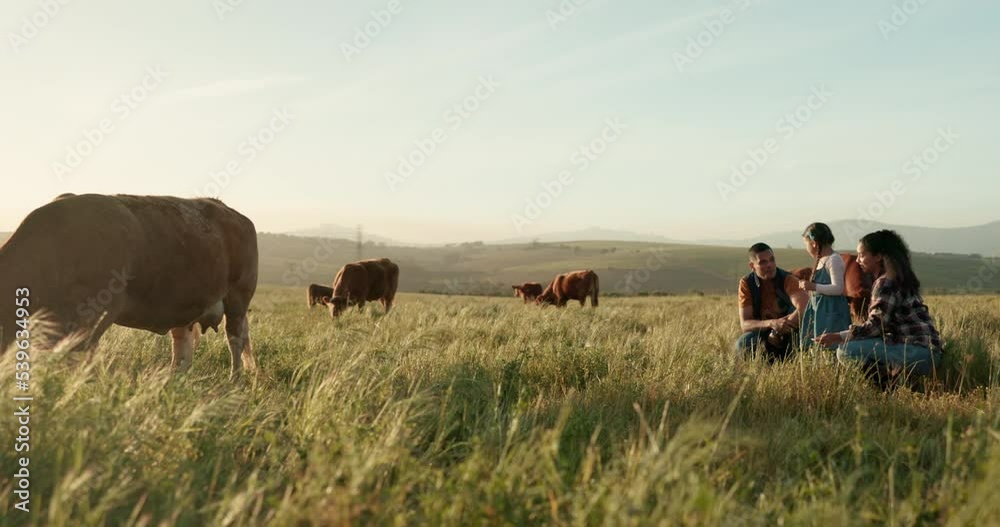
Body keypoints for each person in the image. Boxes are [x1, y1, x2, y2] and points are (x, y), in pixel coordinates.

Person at [814, 230, 944, 381]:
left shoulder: (885, 283)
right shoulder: (899, 277)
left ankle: (889, 386)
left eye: (862, 255)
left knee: (846, 351)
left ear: (878, 256)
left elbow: (875, 328)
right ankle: (898, 380)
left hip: (917, 353)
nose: (857, 261)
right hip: (928, 352)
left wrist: (837, 337)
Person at [735, 243, 808, 361]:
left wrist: (776, 332)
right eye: (763, 262)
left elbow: (804, 306)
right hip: (763, 332)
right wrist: (772, 323)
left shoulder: (788, 279)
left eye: (772, 260)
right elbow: (745, 324)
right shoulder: (747, 283)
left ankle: (792, 359)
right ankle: (764, 366)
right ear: (752, 266)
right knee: (744, 343)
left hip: (790, 331)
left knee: (801, 325)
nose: (769, 265)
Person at [798, 222, 852, 350]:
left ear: (814, 243)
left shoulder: (834, 259)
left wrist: (813, 286)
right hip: (819, 310)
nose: (806, 248)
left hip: (831, 311)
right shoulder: (821, 260)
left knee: (831, 345)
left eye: (806, 244)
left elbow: (838, 288)